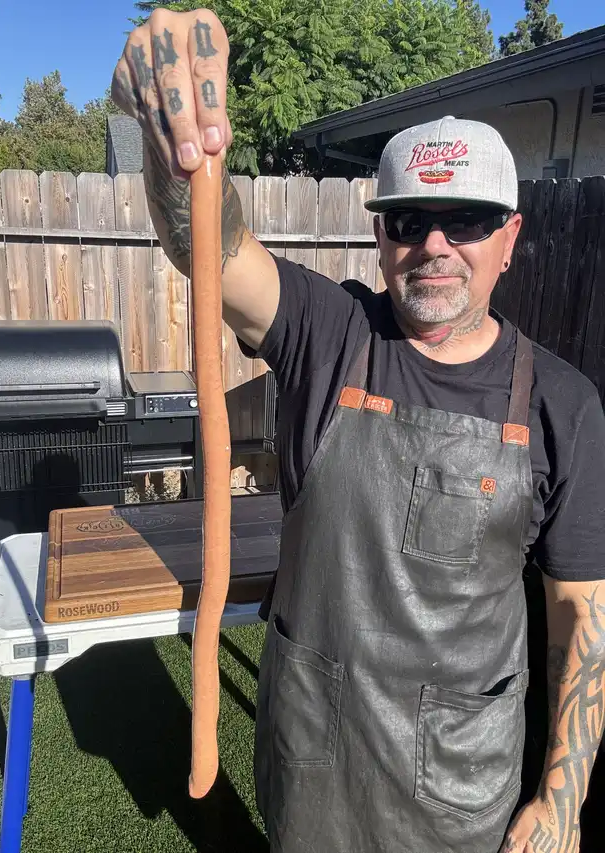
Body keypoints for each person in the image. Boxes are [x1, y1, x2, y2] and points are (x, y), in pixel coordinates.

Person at [111, 9, 605, 853]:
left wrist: (563, 795)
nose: (434, 245)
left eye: (467, 219)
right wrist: (170, 146)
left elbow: (582, 618)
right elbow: (211, 249)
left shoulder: (564, 405)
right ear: (380, 234)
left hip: (462, 799)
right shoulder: (328, 332)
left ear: (510, 237)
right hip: (313, 776)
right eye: (409, 220)